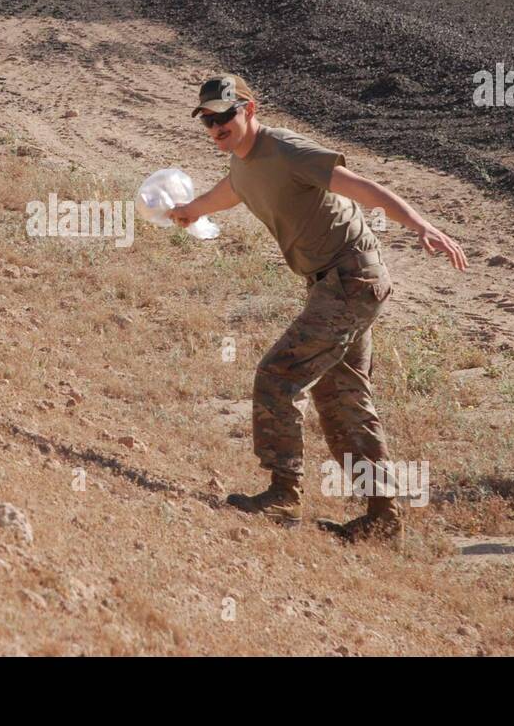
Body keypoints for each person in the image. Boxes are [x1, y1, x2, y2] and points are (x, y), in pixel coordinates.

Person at [170, 74, 467, 541]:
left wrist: (419, 224)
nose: (215, 127)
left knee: (278, 375)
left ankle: (283, 493)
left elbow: (361, 187)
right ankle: (382, 517)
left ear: (249, 110)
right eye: (207, 119)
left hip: (351, 278)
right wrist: (192, 210)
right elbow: (230, 192)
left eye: (224, 115)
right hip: (337, 284)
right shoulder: (243, 164)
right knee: (342, 397)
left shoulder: (287, 150)